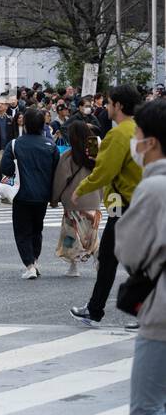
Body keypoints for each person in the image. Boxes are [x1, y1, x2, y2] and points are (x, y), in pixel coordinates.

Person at [113, 97, 166, 415]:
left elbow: (127, 249)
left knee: (146, 410)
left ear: (150, 142)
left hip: (161, 314)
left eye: (136, 135)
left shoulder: (153, 188)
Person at [71, 86, 144, 328]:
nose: (107, 107)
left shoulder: (119, 134)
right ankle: (95, 309)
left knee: (126, 261)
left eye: (110, 103)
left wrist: (81, 188)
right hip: (138, 203)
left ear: (119, 106)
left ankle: (102, 310)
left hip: (123, 206)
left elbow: (105, 171)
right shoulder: (140, 130)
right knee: (117, 258)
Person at [0, 107, 60, 280]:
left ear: (25, 124)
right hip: (42, 195)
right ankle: (35, 260)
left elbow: (6, 168)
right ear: (43, 125)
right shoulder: (51, 145)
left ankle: (29, 265)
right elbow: (57, 171)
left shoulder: (15, 144)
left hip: (21, 194)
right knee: (37, 229)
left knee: (22, 231)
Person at [50, 119, 101, 278]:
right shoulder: (94, 153)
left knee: (72, 234)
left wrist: (54, 199)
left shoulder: (68, 156)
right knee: (92, 232)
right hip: (93, 200)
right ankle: (98, 258)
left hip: (73, 201)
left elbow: (60, 180)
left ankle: (74, 267)